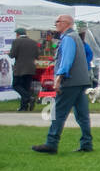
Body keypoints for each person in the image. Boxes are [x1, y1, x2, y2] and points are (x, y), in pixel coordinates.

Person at [30, 14, 93, 154]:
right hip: (80, 81)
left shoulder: (68, 38)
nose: (56, 23)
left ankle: (51, 143)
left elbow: (66, 60)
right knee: (82, 114)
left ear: (67, 23)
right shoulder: (75, 37)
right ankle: (87, 143)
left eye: (58, 21)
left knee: (58, 112)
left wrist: (58, 79)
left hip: (70, 82)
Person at [8, 26, 39, 112]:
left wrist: (9, 53)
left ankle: (29, 97)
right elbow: (37, 56)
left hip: (20, 68)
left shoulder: (16, 41)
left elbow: (12, 55)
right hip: (31, 68)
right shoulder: (33, 42)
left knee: (16, 85)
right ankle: (23, 107)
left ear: (17, 34)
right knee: (25, 88)